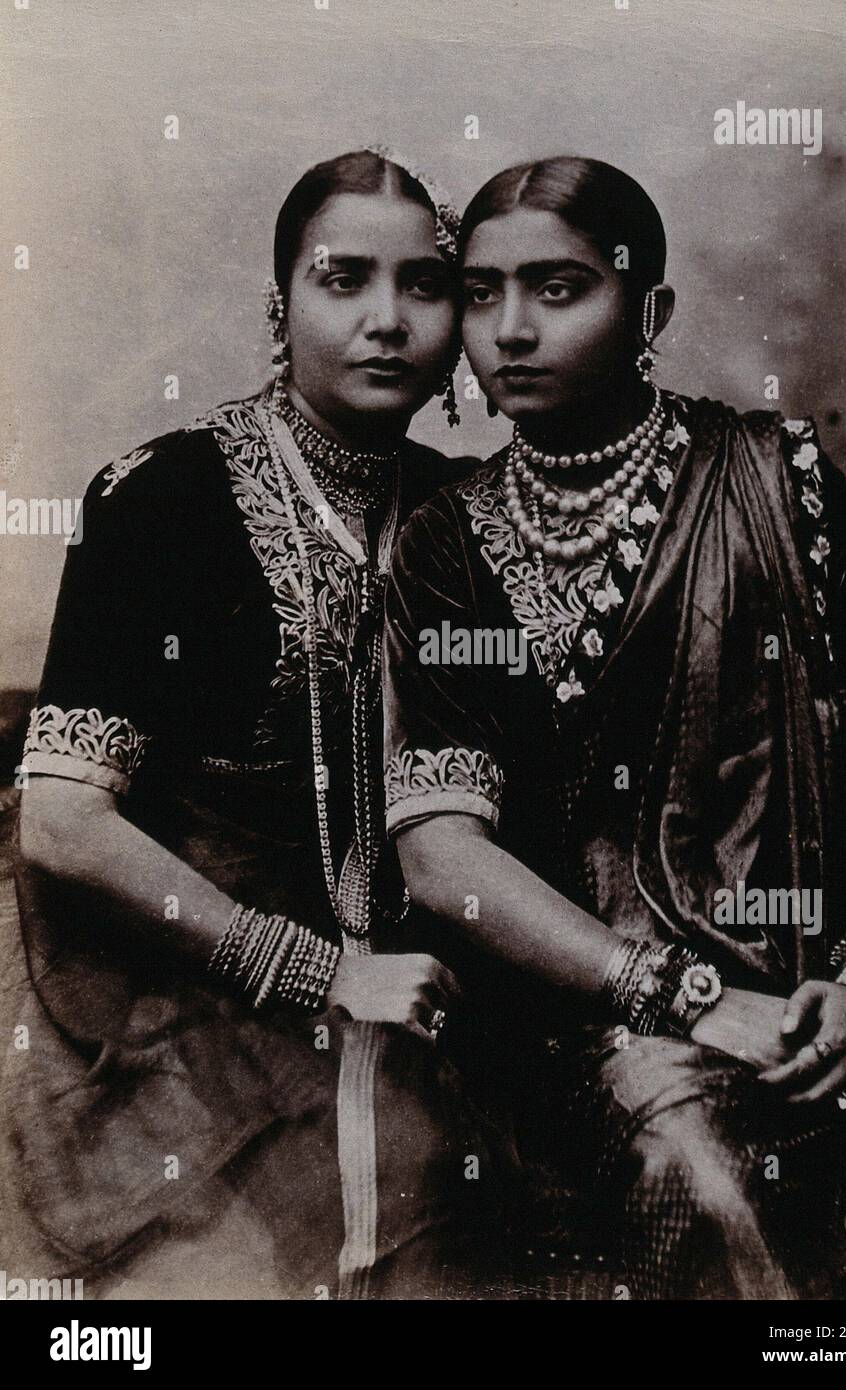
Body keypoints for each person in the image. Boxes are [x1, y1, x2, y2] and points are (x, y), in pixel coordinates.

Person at [383, 156, 846, 1298]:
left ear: (649, 313)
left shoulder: (774, 474)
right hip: (592, 1024)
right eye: (481, 293)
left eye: (557, 288)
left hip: (824, 990)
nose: (509, 331)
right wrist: (680, 996)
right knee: (705, 1183)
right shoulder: (447, 541)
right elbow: (444, 857)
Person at [12, 148, 500, 1300]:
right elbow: (62, 824)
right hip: (147, 1001)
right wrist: (309, 968)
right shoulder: (162, 499)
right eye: (344, 281)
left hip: (398, 997)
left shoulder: (459, 516)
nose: (387, 320)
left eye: (424, 284)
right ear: (279, 312)